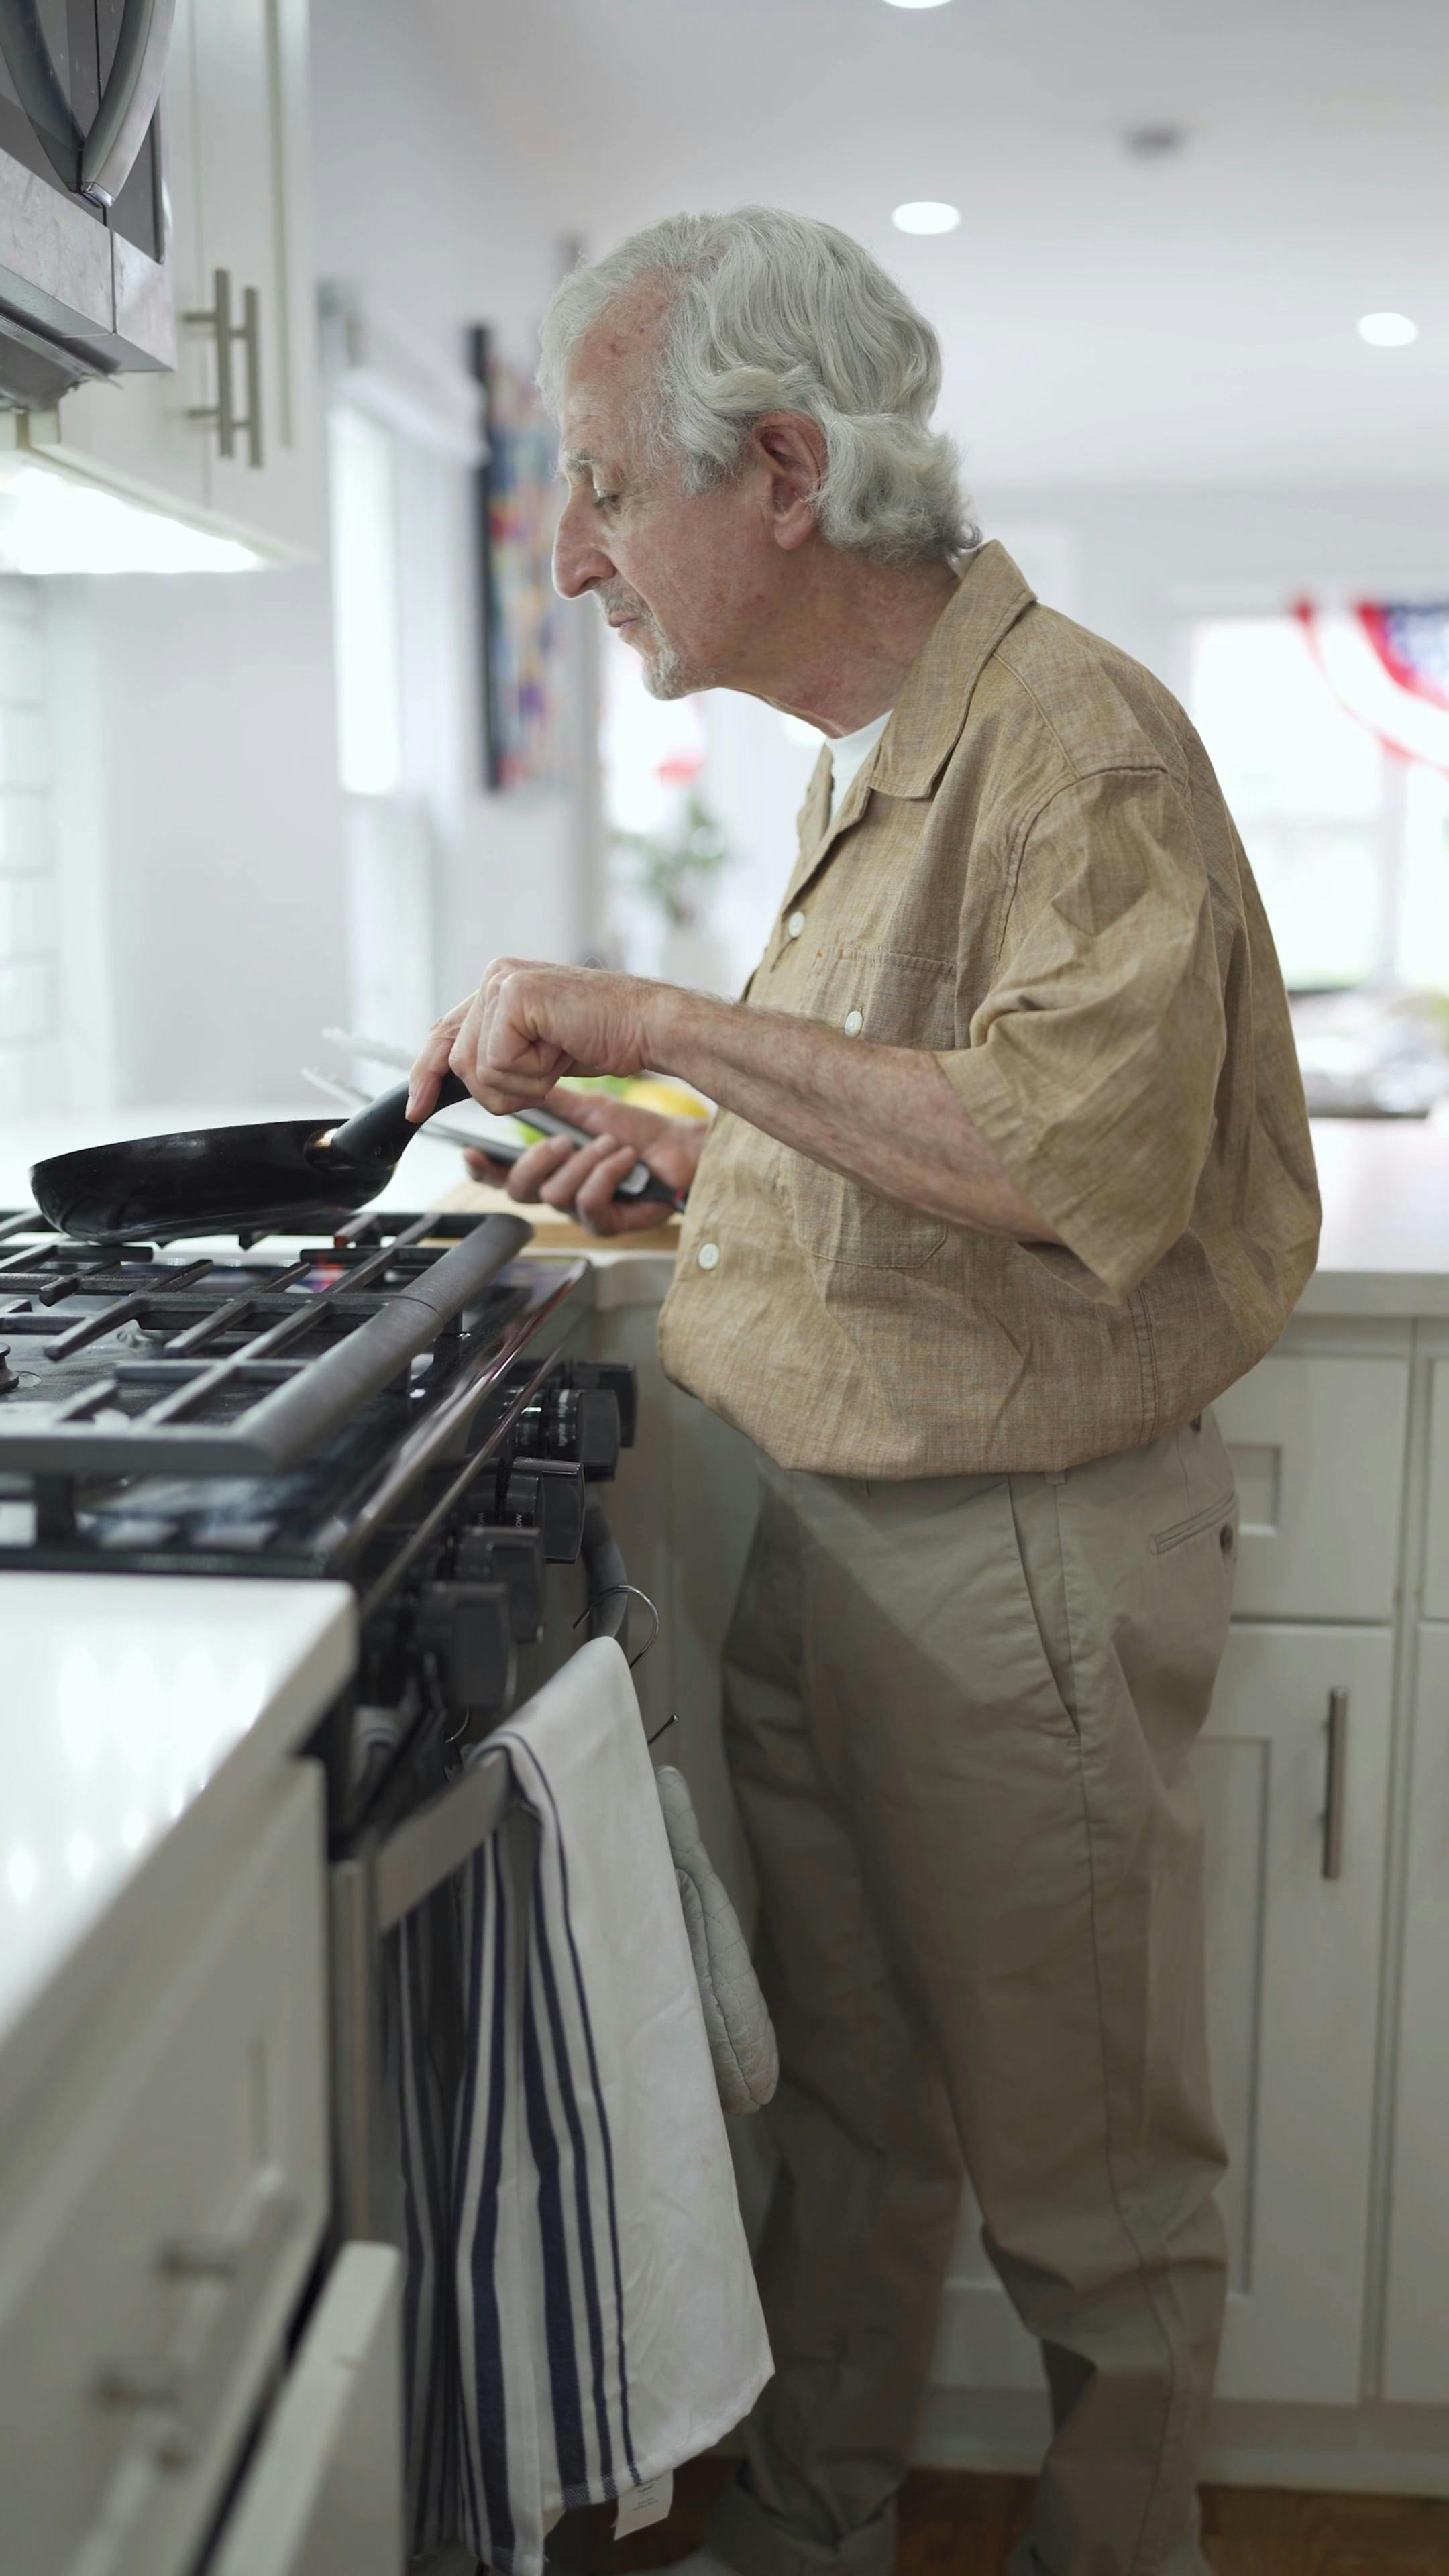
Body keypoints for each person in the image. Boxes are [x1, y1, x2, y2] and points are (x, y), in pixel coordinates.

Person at [407, 208, 1320, 2576]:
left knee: (1092, 2189)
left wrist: (656, 1021)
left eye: (607, 481)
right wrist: (695, 1155)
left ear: (785, 475)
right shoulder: (884, 750)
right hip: (834, 1522)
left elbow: (1051, 1153)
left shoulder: (1076, 740)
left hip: (1008, 1558)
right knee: (844, 2114)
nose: (577, 550)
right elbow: (906, 1102)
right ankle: (808, 2528)